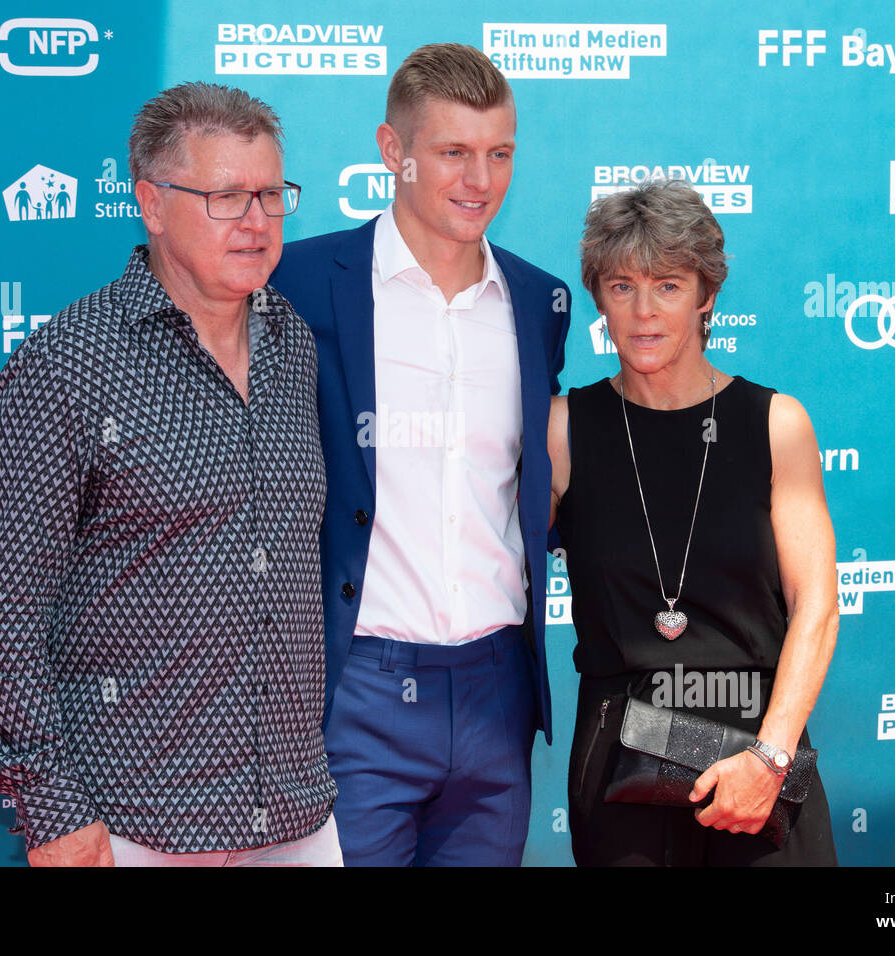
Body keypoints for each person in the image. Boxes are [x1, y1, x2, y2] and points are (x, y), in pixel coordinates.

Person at [0, 81, 339, 867]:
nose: (257, 221)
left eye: (271, 195)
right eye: (226, 197)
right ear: (152, 204)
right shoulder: (68, 363)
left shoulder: (295, 345)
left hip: (293, 816)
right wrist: (52, 807)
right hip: (132, 824)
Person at [270, 43, 571, 866]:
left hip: (497, 694)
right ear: (392, 150)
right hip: (358, 690)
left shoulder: (539, 301)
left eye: (500, 153)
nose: (480, 179)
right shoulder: (298, 284)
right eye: (453, 152)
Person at [549, 179, 838, 865]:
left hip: (760, 756)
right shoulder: (564, 429)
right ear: (598, 298)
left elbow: (817, 606)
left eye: (669, 286)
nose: (644, 312)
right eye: (622, 287)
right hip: (621, 766)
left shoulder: (775, 424)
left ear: (707, 295)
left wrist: (770, 758)